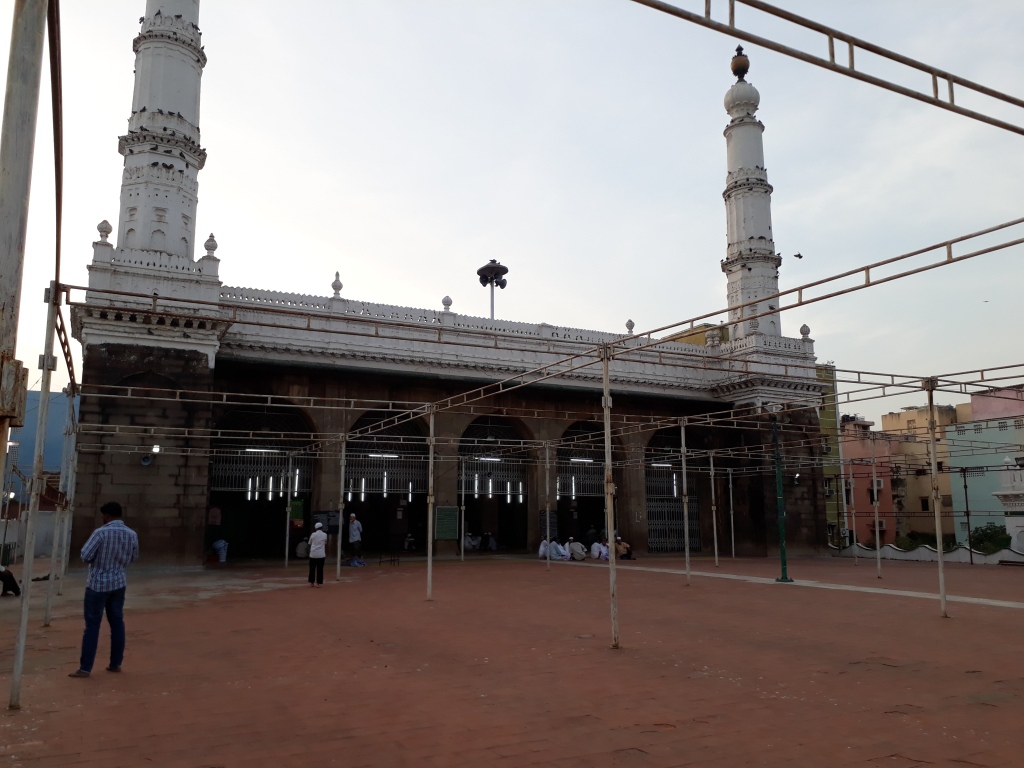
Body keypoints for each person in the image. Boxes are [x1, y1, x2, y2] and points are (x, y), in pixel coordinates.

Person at [69, 501, 139, 678]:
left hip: (98, 584)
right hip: (119, 583)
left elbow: (85, 555)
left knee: (92, 626)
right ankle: (115, 663)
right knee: (117, 623)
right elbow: (134, 557)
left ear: (107, 515)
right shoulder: (131, 534)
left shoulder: (100, 533)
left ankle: (85, 668)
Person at [308, 522, 327, 587]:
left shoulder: (313, 534)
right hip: (321, 554)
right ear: (321, 528)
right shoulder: (325, 534)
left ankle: (311, 582)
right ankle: (318, 583)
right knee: (320, 569)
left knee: (312, 569)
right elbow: (325, 542)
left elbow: (309, 543)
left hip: (313, 554)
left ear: (315, 528)